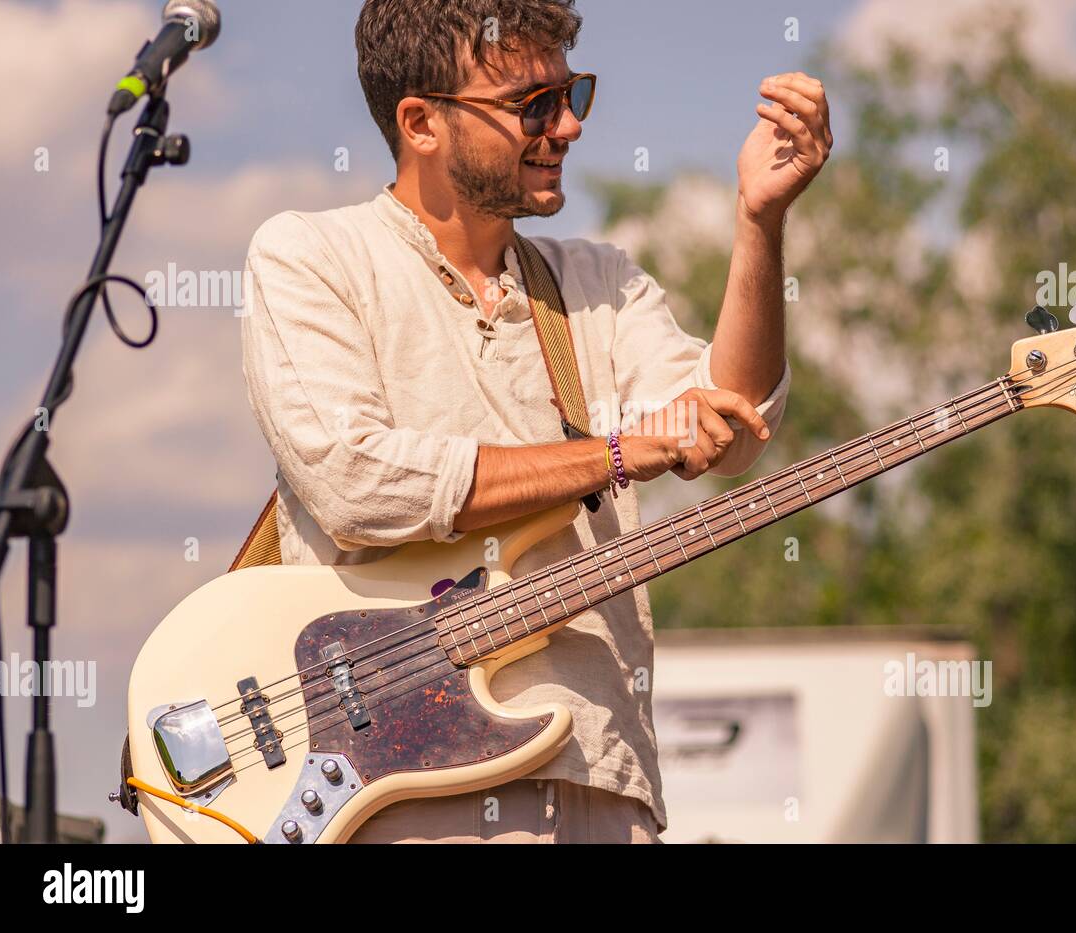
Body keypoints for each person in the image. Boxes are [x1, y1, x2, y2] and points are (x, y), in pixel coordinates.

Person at [240, 0, 831, 843]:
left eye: (571, 93)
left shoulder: (598, 279)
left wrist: (760, 221)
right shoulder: (308, 256)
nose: (568, 126)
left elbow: (730, 427)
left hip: (601, 773)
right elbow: (353, 479)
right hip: (399, 790)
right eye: (532, 104)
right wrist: (619, 453)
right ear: (421, 122)